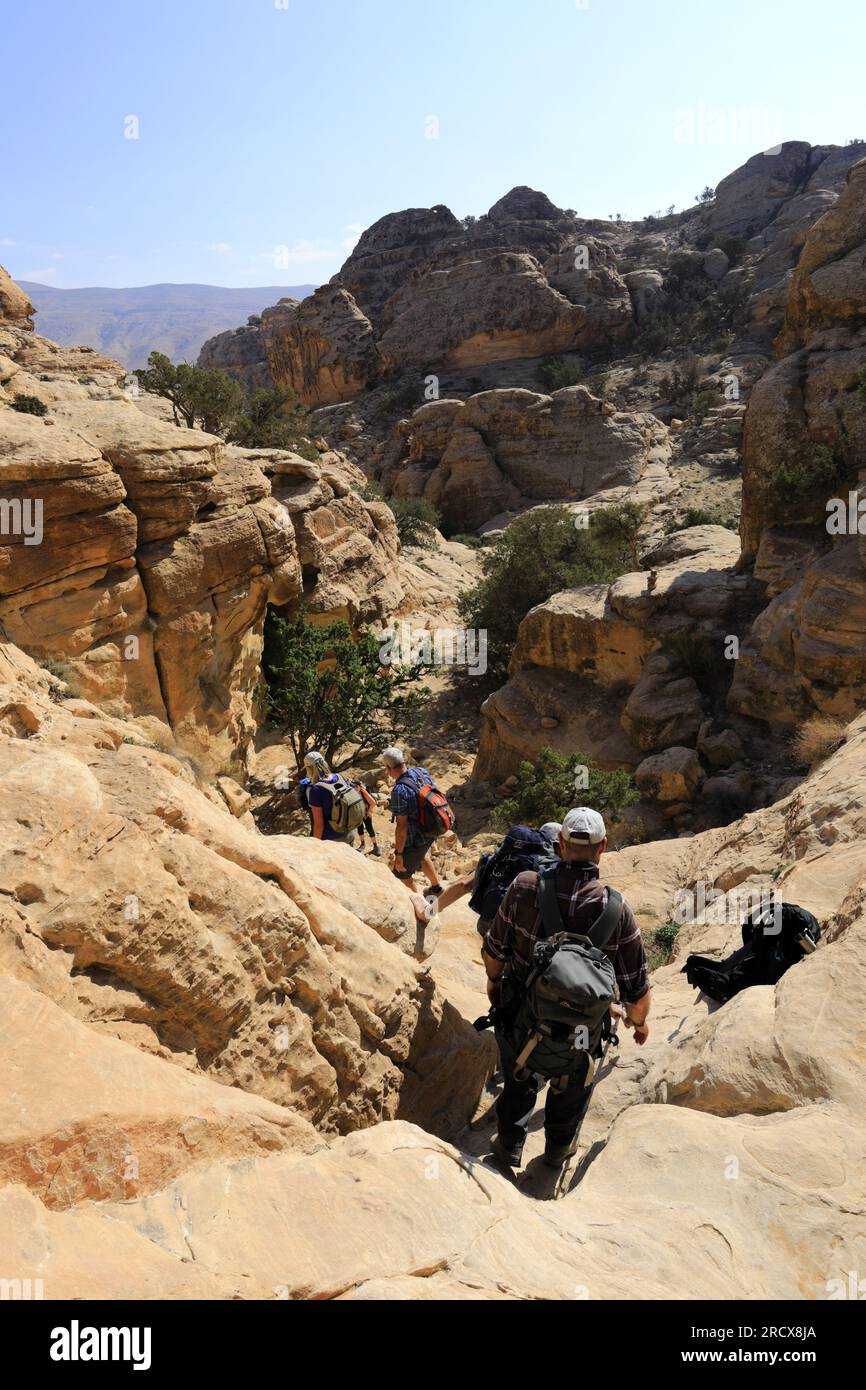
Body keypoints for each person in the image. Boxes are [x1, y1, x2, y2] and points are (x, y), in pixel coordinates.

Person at [482, 807, 651, 1171]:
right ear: (602, 847)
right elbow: (637, 989)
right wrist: (637, 1022)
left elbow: (494, 950)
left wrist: (494, 985)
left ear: (559, 843)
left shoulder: (526, 885)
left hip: (524, 1018)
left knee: (519, 1070)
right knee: (574, 1081)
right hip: (580, 1032)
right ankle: (556, 1154)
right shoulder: (616, 909)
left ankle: (510, 1143)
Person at [427, 822, 562, 934]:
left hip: (488, 922)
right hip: (526, 934)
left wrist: (430, 911)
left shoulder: (502, 857)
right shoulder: (554, 869)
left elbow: (464, 884)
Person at [382, 747, 445, 894]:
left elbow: (402, 827)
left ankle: (421, 908)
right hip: (433, 827)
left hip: (416, 838)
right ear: (403, 761)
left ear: (388, 768)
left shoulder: (399, 790)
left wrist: (398, 855)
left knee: (402, 874)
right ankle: (436, 888)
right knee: (423, 856)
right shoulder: (420, 771)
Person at [303, 751, 360, 844]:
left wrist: (315, 844)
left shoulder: (316, 790)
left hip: (331, 839)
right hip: (349, 833)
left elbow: (318, 825)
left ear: (309, 769)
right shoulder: (340, 777)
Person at [351, 779, 382, 856]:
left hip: (366, 813)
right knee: (359, 828)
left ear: (358, 787)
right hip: (358, 813)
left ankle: (375, 846)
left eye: (353, 786)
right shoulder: (352, 793)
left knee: (369, 828)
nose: (352, 788)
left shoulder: (363, 792)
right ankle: (362, 844)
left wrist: (369, 811)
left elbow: (373, 802)